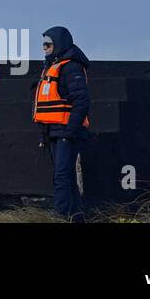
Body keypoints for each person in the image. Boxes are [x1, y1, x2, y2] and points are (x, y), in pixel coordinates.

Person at [33, 26, 91, 221]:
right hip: (55, 132)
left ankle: (59, 217)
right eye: (43, 45)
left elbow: (82, 101)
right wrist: (44, 135)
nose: (44, 48)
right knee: (66, 179)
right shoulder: (50, 67)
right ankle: (76, 218)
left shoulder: (71, 67)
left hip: (67, 132)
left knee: (62, 178)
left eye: (48, 44)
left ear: (58, 44)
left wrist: (69, 132)